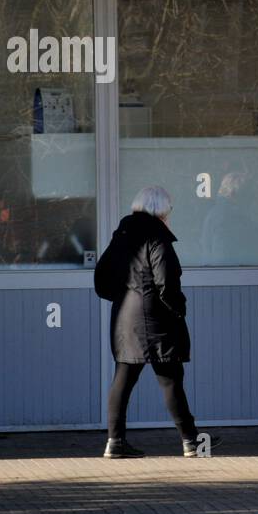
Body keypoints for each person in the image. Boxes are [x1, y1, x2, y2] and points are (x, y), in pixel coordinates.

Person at [94, 185, 208, 458]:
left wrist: (123, 297)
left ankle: (115, 442)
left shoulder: (121, 235)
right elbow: (166, 283)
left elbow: (102, 278)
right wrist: (179, 309)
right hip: (156, 319)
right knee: (171, 380)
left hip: (124, 318)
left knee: (122, 379)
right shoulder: (157, 237)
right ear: (161, 209)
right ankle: (191, 442)